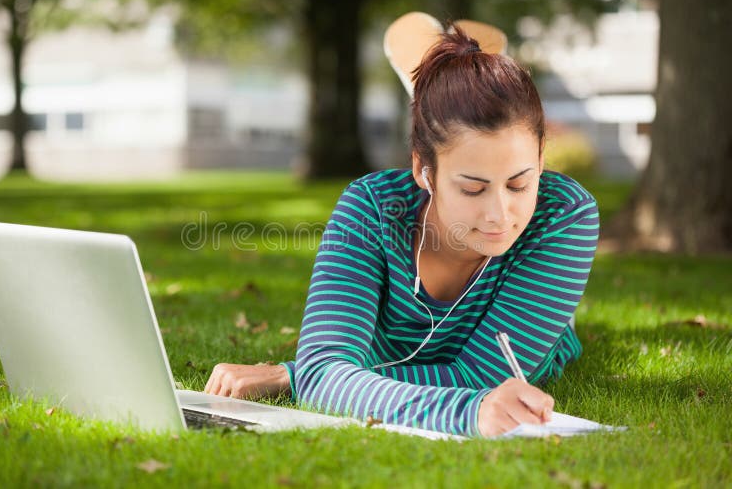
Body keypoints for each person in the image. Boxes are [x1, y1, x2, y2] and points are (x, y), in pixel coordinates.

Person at [203, 23, 599, 437]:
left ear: (540, 159)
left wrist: (310, 376)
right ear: (421, 171)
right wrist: (320, 374)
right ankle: (444, 77)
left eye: (519, 184)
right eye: (472, 188)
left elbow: (480, 376)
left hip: (534, 309)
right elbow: (323, 372)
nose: (499, 214)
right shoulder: (370, 208)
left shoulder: (564, 215)